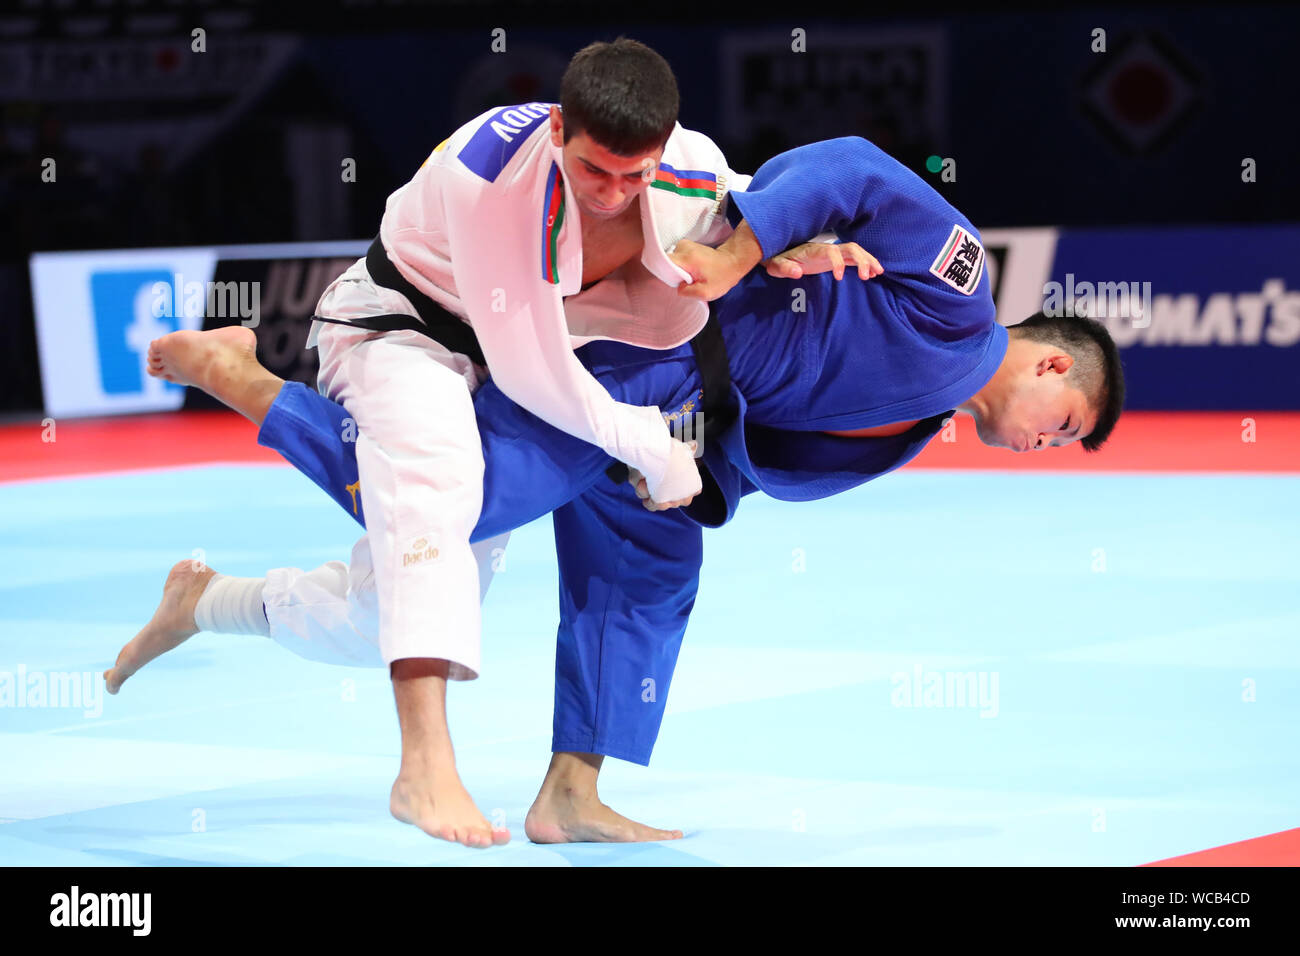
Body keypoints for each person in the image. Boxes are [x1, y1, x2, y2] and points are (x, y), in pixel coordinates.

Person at [107, 135, 1125, 845]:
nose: (1045, 446)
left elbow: (778, 448)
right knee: (453, 505)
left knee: (648, 578)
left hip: (682, 425)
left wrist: (697, 480)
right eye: (1065, 424)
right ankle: (243, 379)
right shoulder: (964, 312)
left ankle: (569, 792)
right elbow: (853, 170)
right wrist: (743, 243)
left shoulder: (920, 418)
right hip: (650, 350)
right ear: (1046, 368)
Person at [198, 38, 768, 848]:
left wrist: (791, 245)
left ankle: (207, 597)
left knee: (377, 618)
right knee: (438, 478)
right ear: (560, 126)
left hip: (503, 361)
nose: (611, 194)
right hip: (404, 330)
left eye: (631, 175)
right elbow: (537, 375)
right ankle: (424, 765)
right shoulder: (495, 176)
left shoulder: (688, 167)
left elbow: (757, 202)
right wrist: (653, 447)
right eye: (593, 169)